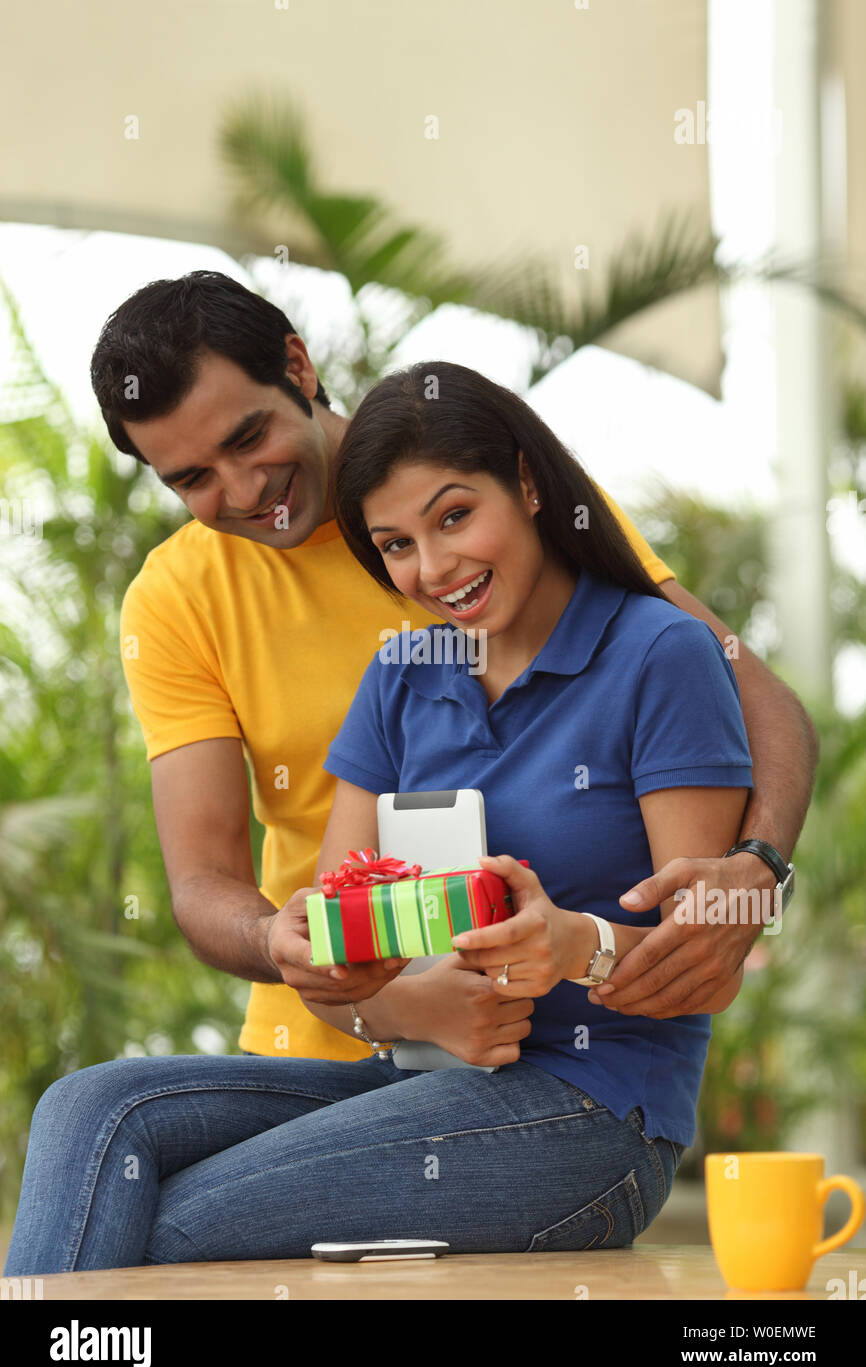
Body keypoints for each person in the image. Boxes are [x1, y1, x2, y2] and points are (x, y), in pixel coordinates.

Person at [6, 359, 758, 1269]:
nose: (435, 568)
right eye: (396, 545)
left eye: (454, 516)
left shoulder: (660, 654)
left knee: (166, 1227)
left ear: (525, 483)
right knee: (90, 1107)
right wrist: (398, 999)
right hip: (410, 1080)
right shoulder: (403, 673)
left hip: (593, 1108)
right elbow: (341, 938)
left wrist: (571, 945)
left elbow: (710, 963)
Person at [93, 271, 811, 1069]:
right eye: (191, 479)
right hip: (316, 1045)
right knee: (95, 1111)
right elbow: (202, 881)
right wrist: (289, 947)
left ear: (298, 366)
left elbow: (753, 697)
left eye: (246, 437)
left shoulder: (491, 488)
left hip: (535, 1047)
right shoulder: (173, 598)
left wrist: (756, 875)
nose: (243, 489)